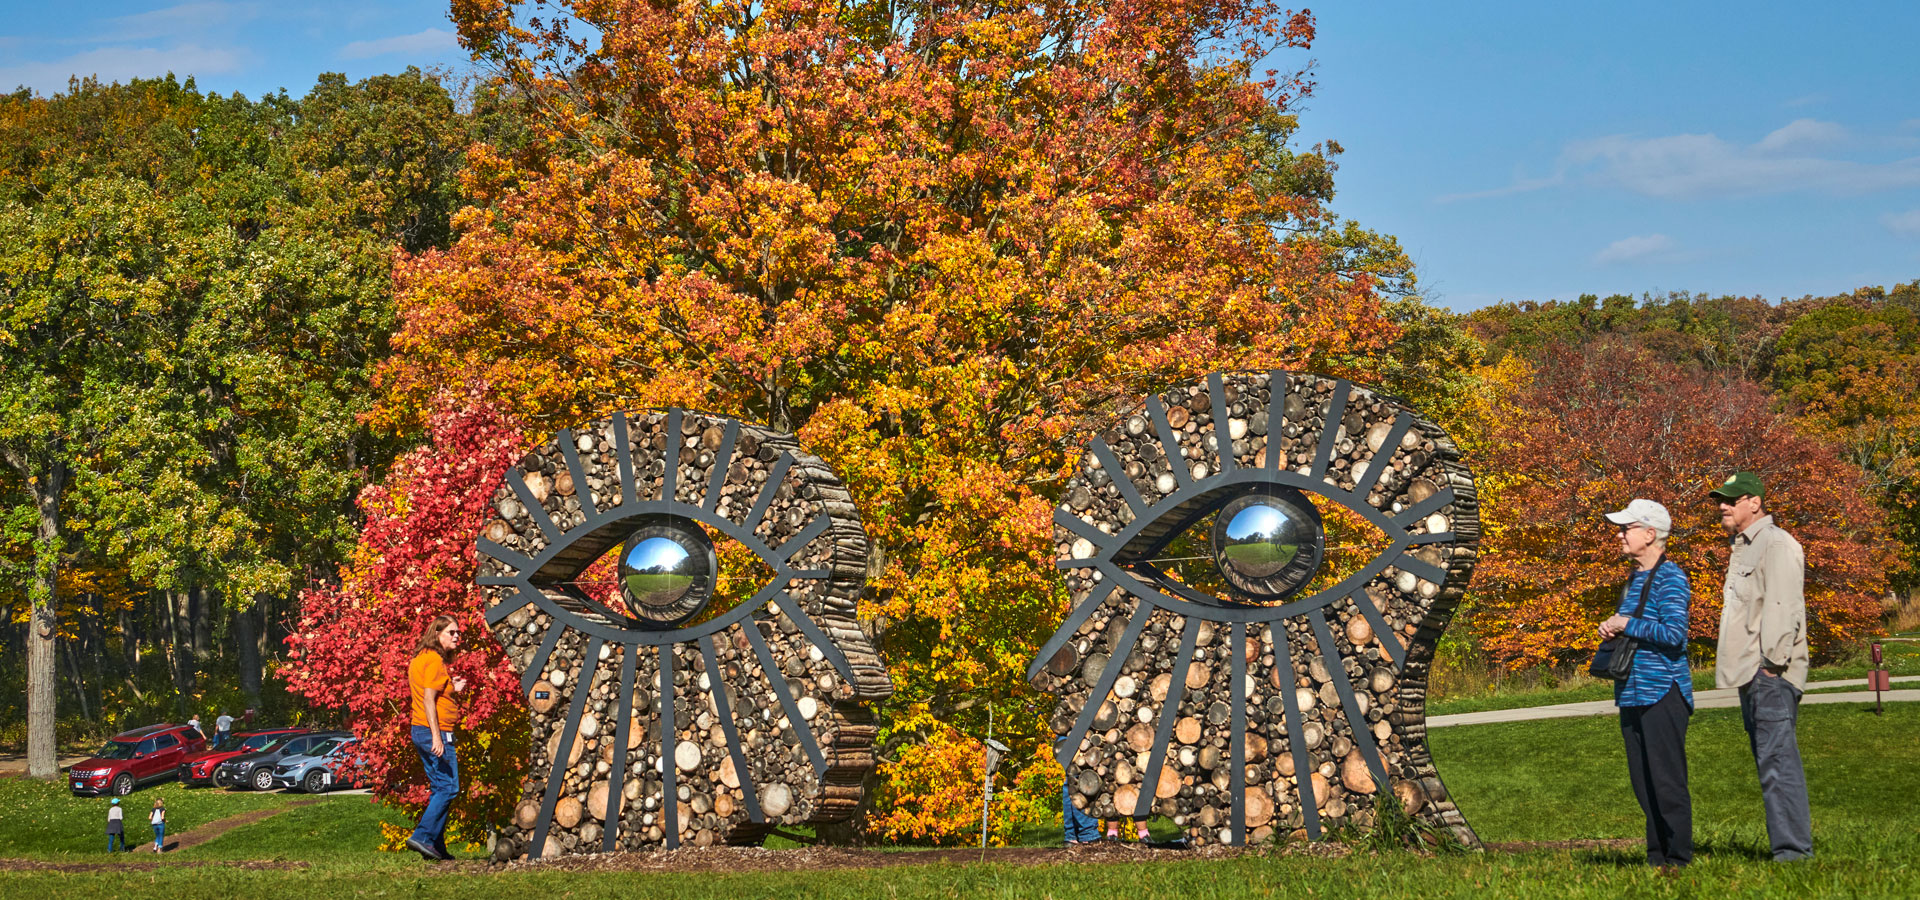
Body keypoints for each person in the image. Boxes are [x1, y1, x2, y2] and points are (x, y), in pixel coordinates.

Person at [1711, 471, 1813, 861]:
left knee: (1777, 764)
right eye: (1721, 499)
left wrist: (1771, 664)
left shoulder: (1775, 543)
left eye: (1731, 499)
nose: (1722, 505)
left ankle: (1793, 854)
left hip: (1770, 672)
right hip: (1753, 673)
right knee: (1769, 761)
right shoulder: (1745, 547)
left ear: (1754, 502)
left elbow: (1783, 606)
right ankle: (1788, 849)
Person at [1598, 499, 1694, 869]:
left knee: (1667, 781)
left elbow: (1674, 635)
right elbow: (1632, 626)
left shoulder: (1671, 577)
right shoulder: (1634, 578)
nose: (1620, 535)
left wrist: (1626, 624)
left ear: (1650, 534)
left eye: (1627, 528)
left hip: (1663, 691)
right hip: (1632, 691)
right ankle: (1657, 857)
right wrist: (1611, 628)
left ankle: (1679, 858)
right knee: (1643, 781)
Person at [407, 614, 468, 862]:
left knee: (440, 788)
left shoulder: (423, 659)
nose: (456, 636)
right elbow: (428, 700)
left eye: (458, 633)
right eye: (451, 632)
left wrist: (452, 686)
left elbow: (432, 691)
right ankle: (422, 836)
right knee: (449, 787)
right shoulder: (433, 660)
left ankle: (435, 846)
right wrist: (437, 737)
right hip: (434, 730)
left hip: (421, 728)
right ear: (437, 634)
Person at [1056, 737, 1099, 846]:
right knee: (1080, 778)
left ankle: (1071, 835)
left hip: (1064, 737)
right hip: (1078, 732)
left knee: (1071, 780)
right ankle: (1087, 834)